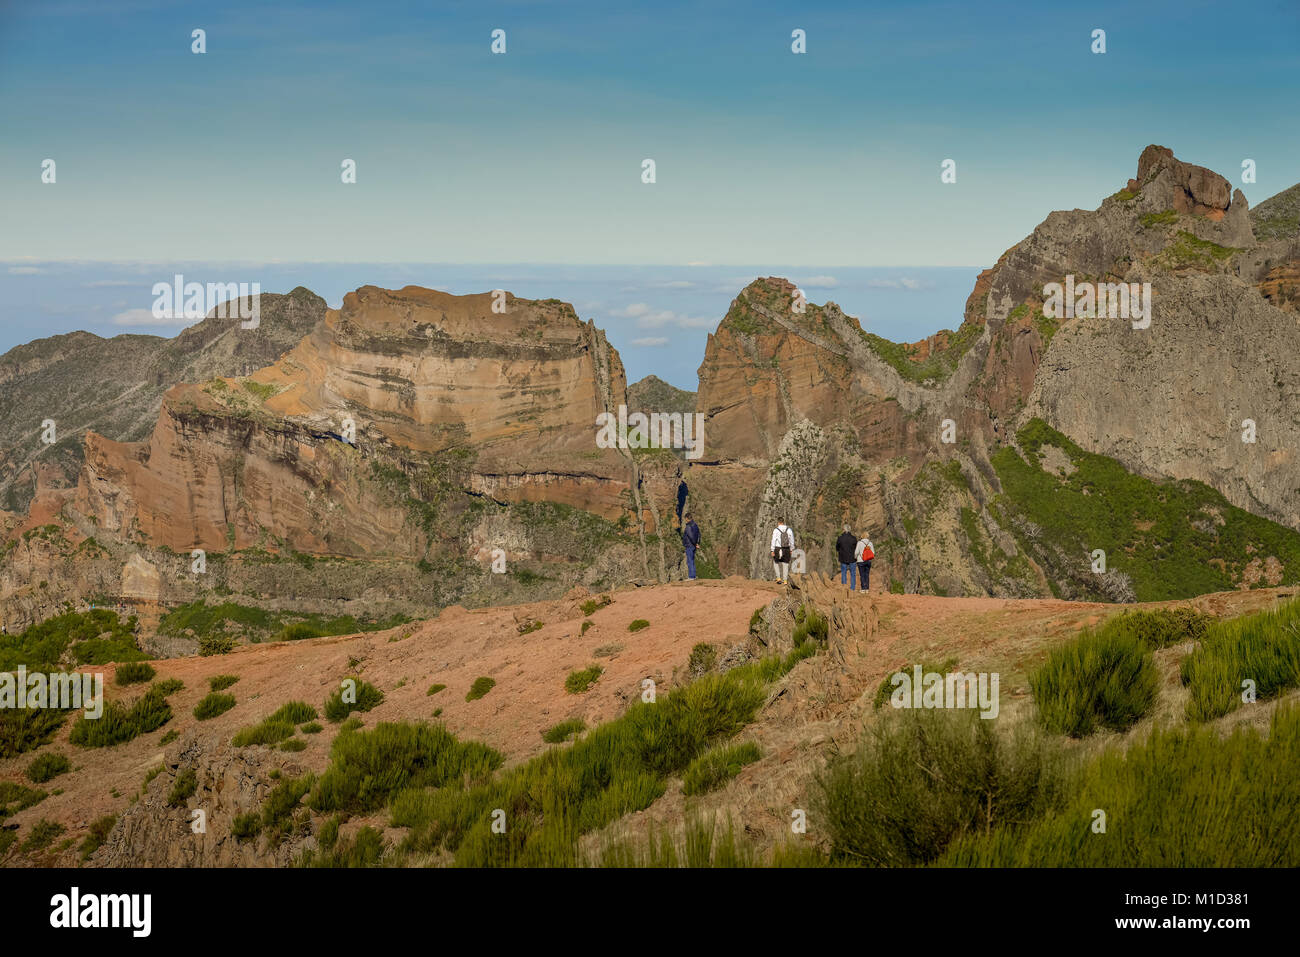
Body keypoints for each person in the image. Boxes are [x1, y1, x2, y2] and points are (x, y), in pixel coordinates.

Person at [771, 519, 795, 584]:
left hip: (778, 548)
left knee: (776, 563)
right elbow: (792, 540)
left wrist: (772, 550)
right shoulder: (789, 530)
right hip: (786, 548)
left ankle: (778, 578)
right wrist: (791, 549)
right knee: (785, 564)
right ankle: (785, 580)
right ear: (783, 522)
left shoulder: (776, 530)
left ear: (778, 522)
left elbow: (773, 540)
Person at [836, 523, 858, 590]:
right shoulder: (854, 538)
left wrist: (840, 550)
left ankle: (844, 587)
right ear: (850, 530)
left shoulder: (840, 538)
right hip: (852, 558)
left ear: (844, 530)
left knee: (843, 572)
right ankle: (852, 588)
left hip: (843, 557)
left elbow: (837, 548)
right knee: (853, 574)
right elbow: (856, 548)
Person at [681, 513, 701, 580]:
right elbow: (699, 534)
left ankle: (691, 577)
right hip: (694, 546)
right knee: (692, 560)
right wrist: (697, 543)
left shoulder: (688, 526)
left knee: (690, 561)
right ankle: (693, 576)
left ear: (687, 518)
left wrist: (695, 543)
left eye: (685, 519)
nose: (685, 520)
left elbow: (691, 536)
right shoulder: (695, 525)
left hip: (689, 545)